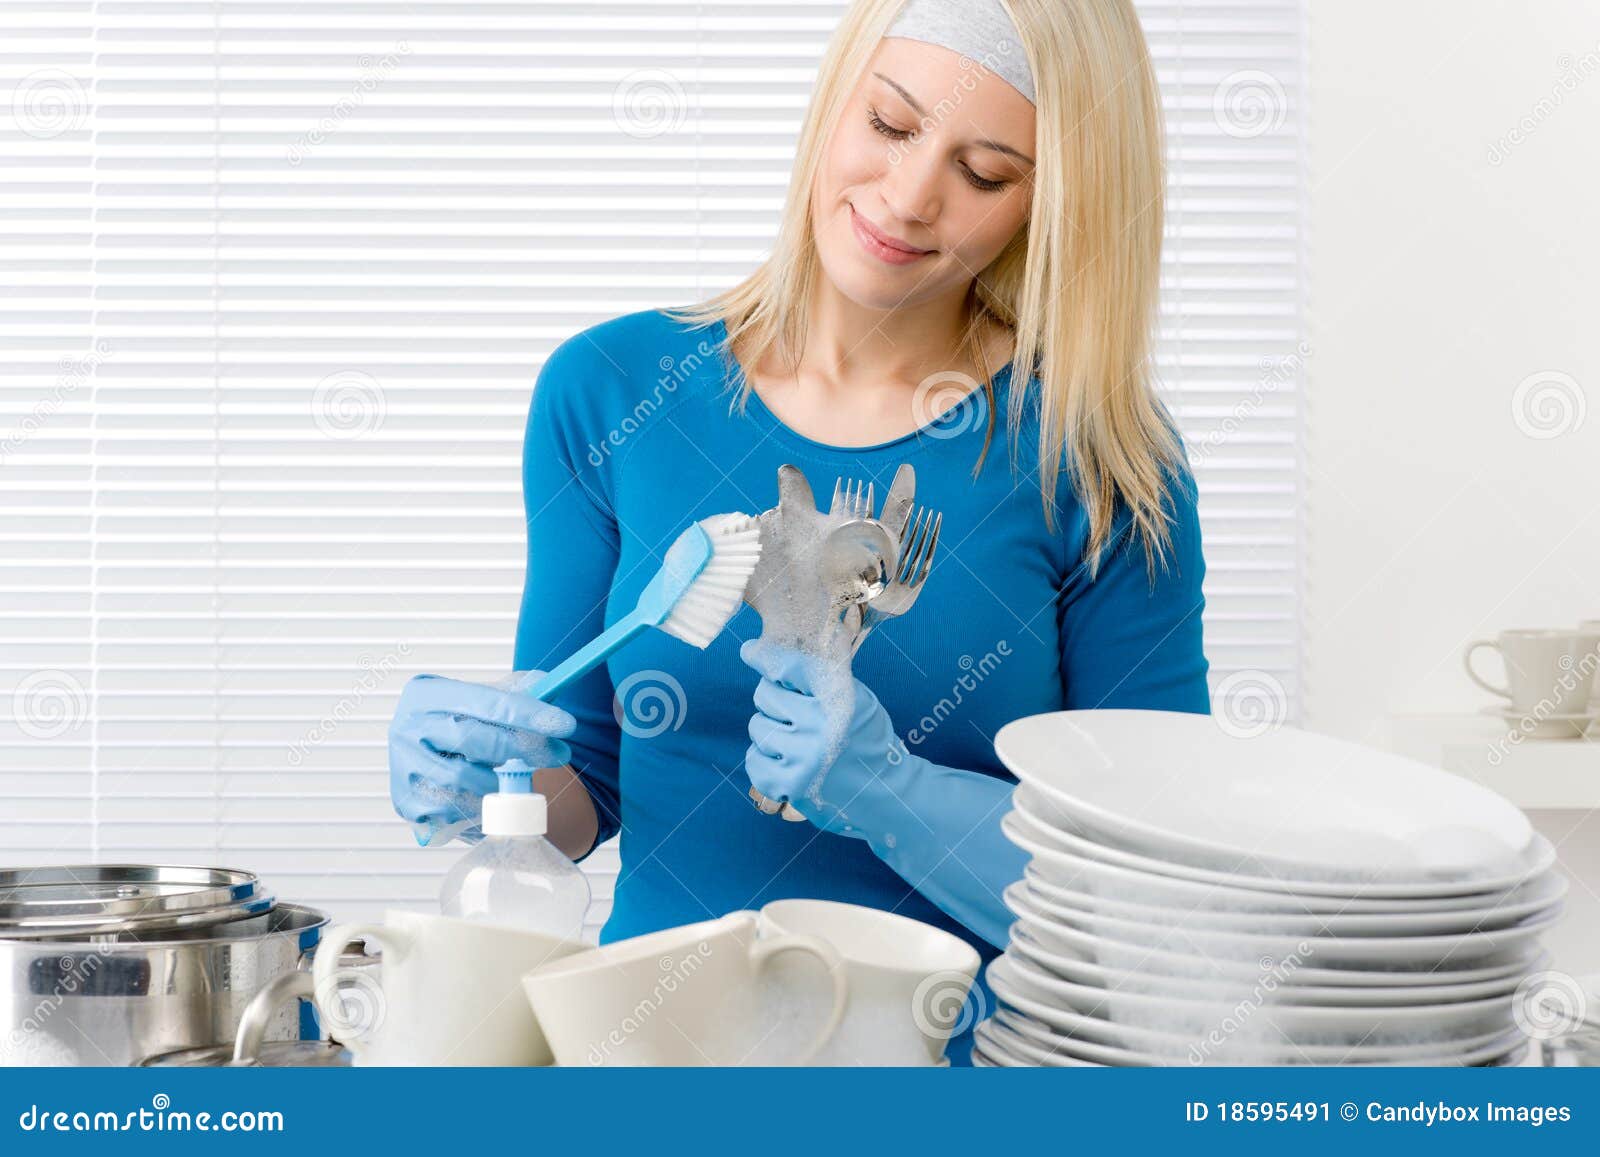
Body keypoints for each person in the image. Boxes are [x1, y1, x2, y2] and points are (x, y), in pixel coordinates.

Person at [389, 0, 1211, 1066]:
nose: (908, 198)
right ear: (835, 102)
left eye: (987, 171)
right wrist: (478, 775)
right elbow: (580, 790)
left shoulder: (1097, 459)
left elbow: (1159, 909)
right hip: (645, 1068)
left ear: (1049, 206)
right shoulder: (612, 390)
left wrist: (893, 792)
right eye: (890, 123)